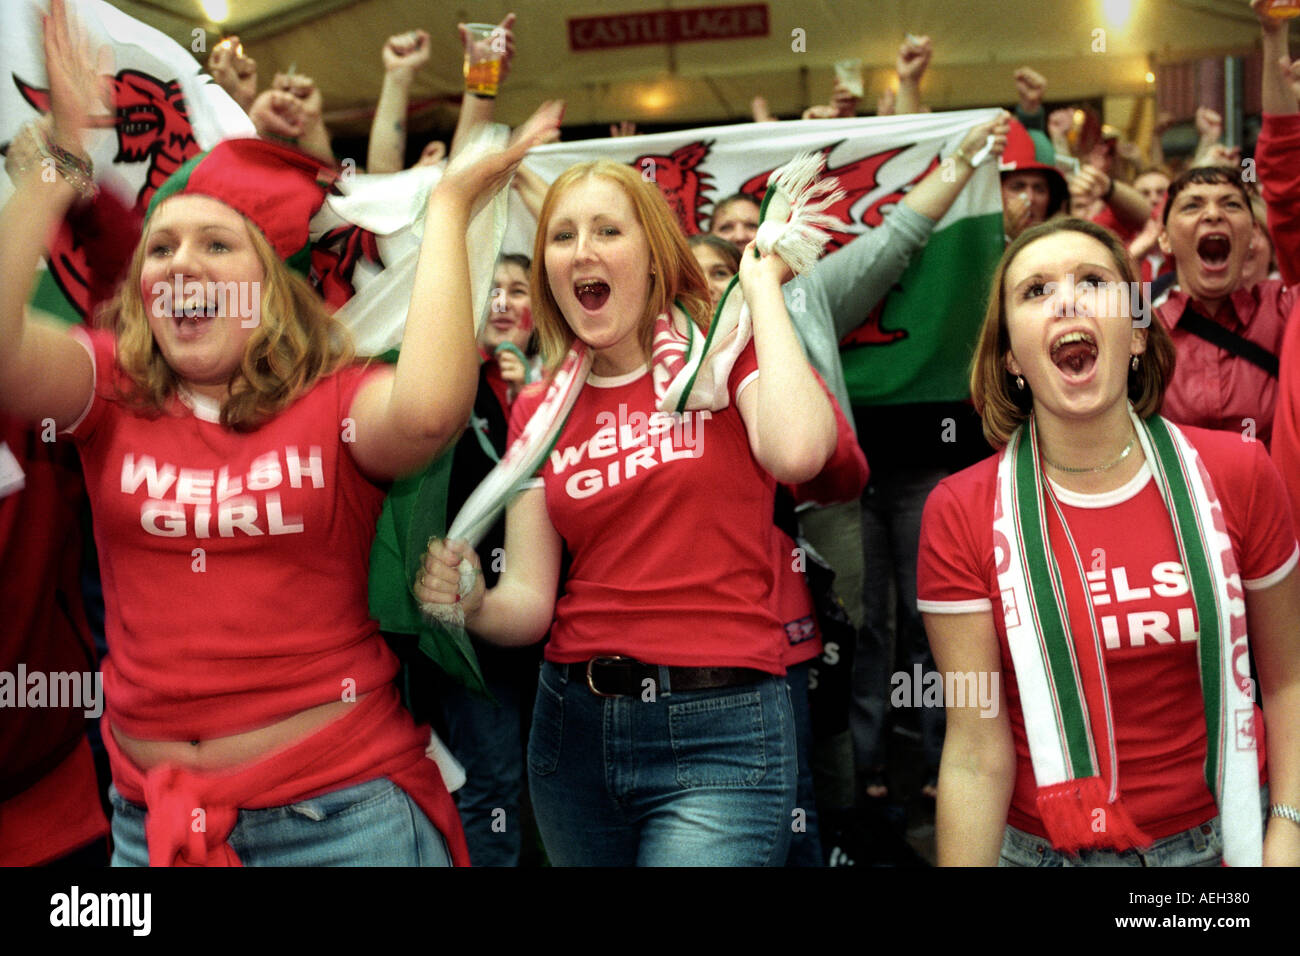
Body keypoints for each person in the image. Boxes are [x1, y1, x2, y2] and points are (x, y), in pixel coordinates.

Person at [0, 0, 561, 866]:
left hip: (342, 823)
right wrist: (58, 156)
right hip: (151, 830)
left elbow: (428, 413)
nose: (180, 262)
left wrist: (446, 215)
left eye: (216, 246)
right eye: (161, 249)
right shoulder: (112, 387)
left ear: (268, 293)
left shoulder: (332, 400)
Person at [417, 158, 837, 866]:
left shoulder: (720, 358)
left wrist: (759, 284)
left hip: (724, 728)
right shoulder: (543, 407)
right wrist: (473, 601)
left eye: (608, 230)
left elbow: (800, 452)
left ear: (652, 256)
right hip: (571, 729)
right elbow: (529, 603)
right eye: (562, 235)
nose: (581, 250)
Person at [917, 217, 1300, 866]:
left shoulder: (1240, 472)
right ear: (1011, 357)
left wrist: (1289, 828)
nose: (1066, 300)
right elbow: (975, 753)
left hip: (1219, 845)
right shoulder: (957, 511)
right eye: (1035, 291)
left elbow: (1289, 680)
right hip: (1039, 851)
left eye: (1093, 283)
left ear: (1137, 336)